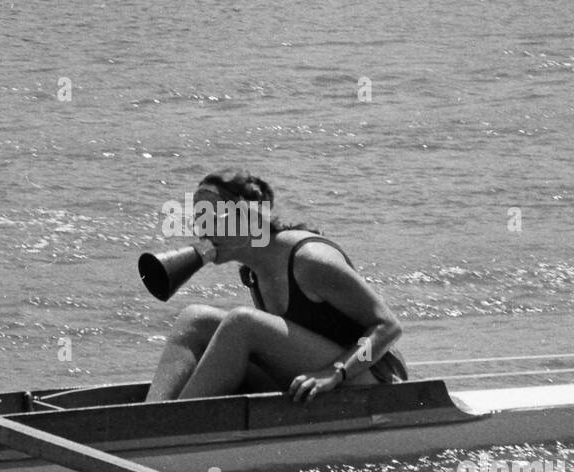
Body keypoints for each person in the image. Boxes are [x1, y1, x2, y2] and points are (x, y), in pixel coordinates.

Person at [145, 170, 407, 404]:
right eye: (199, 219)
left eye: (214, 218)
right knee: (195, 318)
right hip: (309, 378)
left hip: (370, 379)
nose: (203, 230)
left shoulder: (310, 261)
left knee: (242, 323)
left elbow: (388, 327)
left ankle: (173, 426)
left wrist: (336, 372)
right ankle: (148, 418)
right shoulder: (253, 270)